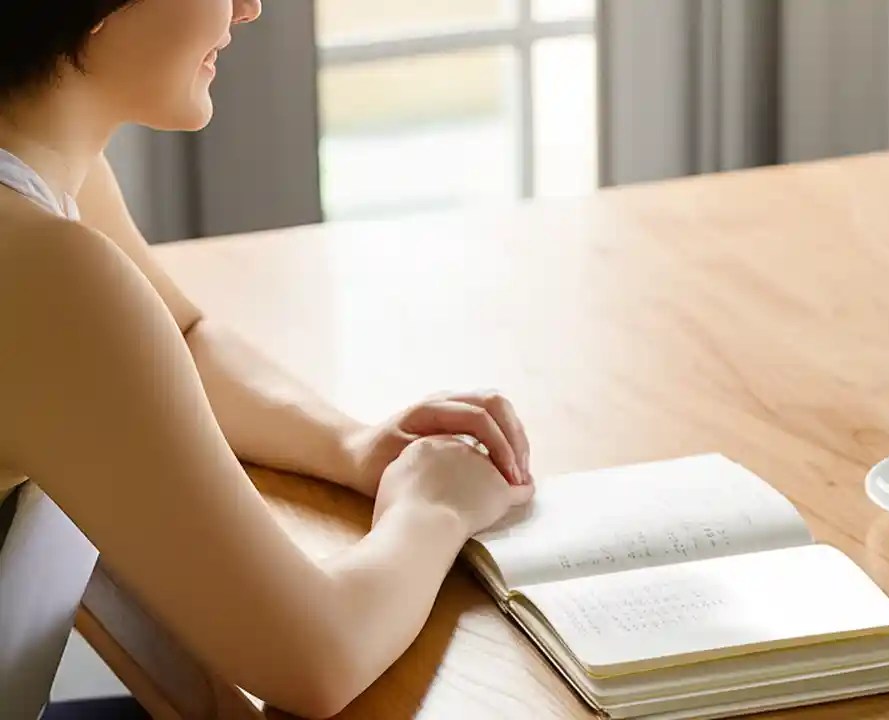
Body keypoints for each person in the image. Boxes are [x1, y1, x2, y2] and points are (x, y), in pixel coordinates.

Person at [0, 2, 537, 718]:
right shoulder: (40, 270)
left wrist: (355, 446)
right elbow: (314, 658)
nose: (249, 5)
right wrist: (432, 505)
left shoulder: (44, 163)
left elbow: (181, 337)